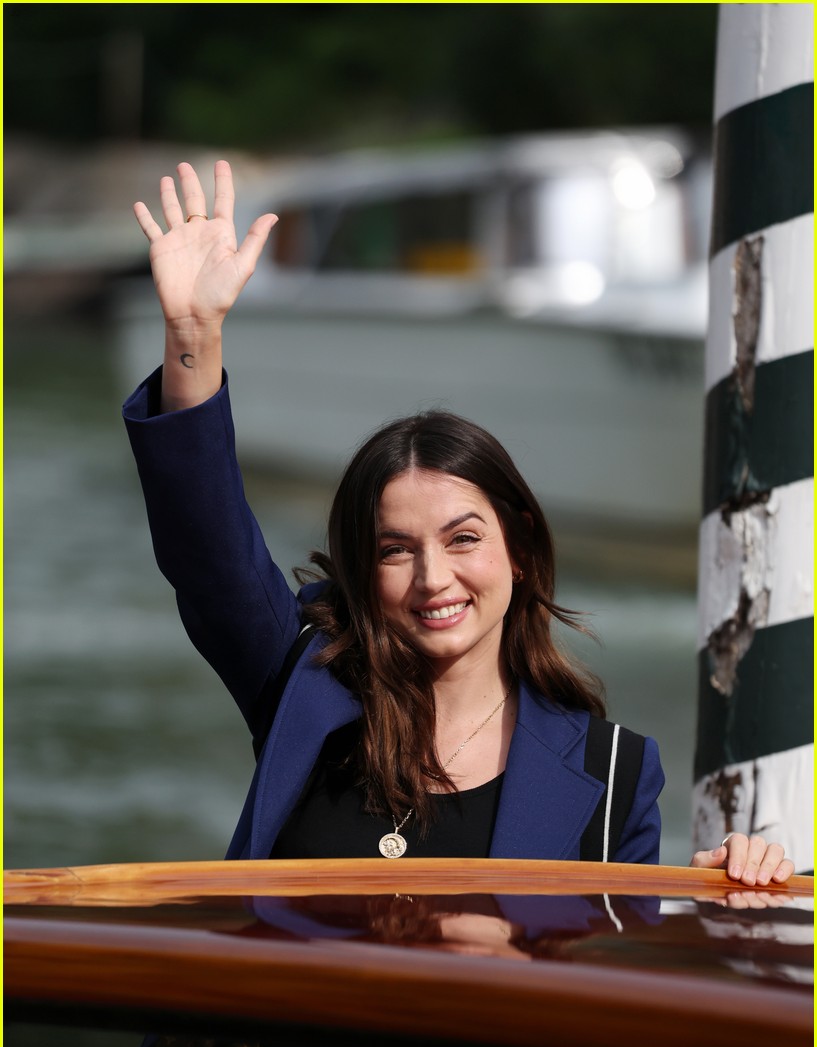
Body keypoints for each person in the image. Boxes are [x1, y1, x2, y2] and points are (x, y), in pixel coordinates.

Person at [127, 160, 793, 886]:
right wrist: (192, 333)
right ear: (362, 570)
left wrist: (718, 894)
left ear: (520, 550)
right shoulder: (301, 683)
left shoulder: (613, 772)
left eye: (462, 539)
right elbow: (210, 554)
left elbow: (615, 948)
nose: (432, 577)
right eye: (395, 550)